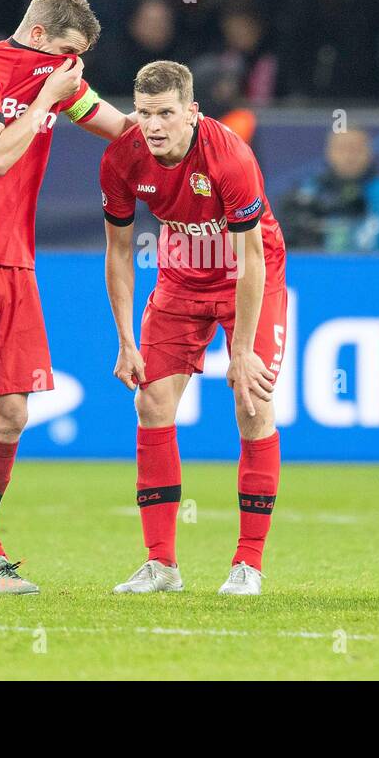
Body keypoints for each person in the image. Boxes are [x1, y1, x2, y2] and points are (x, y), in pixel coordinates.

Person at [0, 0, 134, 595]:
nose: (74, 66)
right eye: (67, 50)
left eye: (80, 57)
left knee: (12, 413)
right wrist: (46, 97)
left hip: (14, 260)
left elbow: (122, 129)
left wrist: (185, 132)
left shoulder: (59, 80)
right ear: (39, 34)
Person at [101, 60, 287, 597]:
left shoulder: (230, 158)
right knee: (151, 404)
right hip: (180, 280)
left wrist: (244, 349)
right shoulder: (122, 157)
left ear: (192, 113)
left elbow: (251, 258)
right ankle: (161, 566)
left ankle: (247, 564)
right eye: (144, 113)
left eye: (166, 113)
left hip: (248, 278)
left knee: (251, 405)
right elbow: (117, 251)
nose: (154, 125)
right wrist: (125, 340)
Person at [282, 127, 379, 252]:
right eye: (343, 149)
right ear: (329, 152)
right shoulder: (306, 193)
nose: (350, 156)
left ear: (369, 152)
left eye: (357, 149)